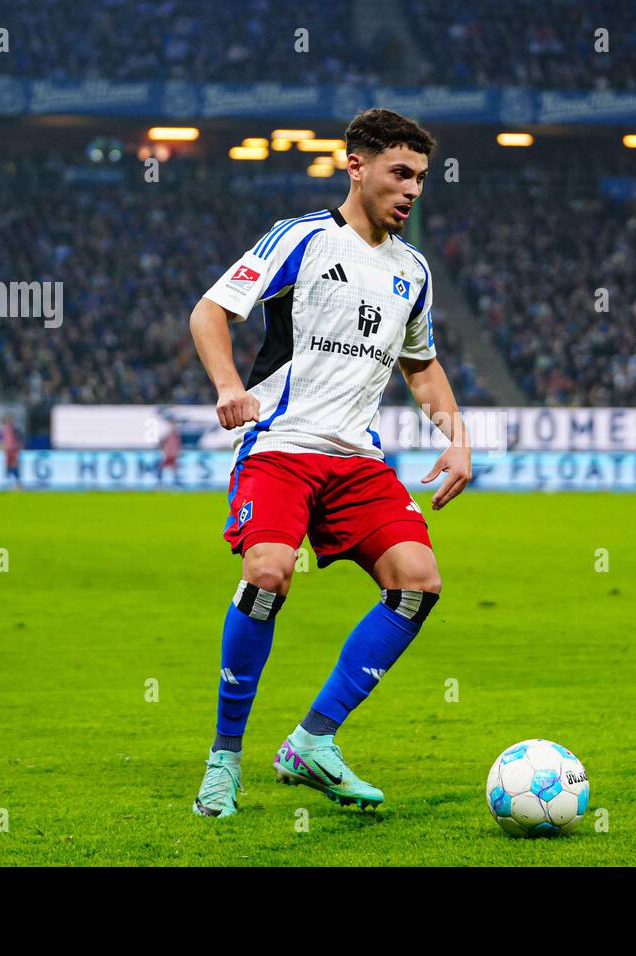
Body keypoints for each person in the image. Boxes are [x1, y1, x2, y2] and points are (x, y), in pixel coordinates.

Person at [188, 108, 472, 816]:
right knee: (268, 573)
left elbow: (422, 366)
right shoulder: (304, 238)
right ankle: (225, 758)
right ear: (357, 166)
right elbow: (210, 312)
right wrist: (229, 388)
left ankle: (311, 742)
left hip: (356, 460)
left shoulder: (413, 270)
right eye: (400, 173)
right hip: (281, 447)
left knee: (418, 581)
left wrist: (456, 436)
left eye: (421, 179)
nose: (413, 191)